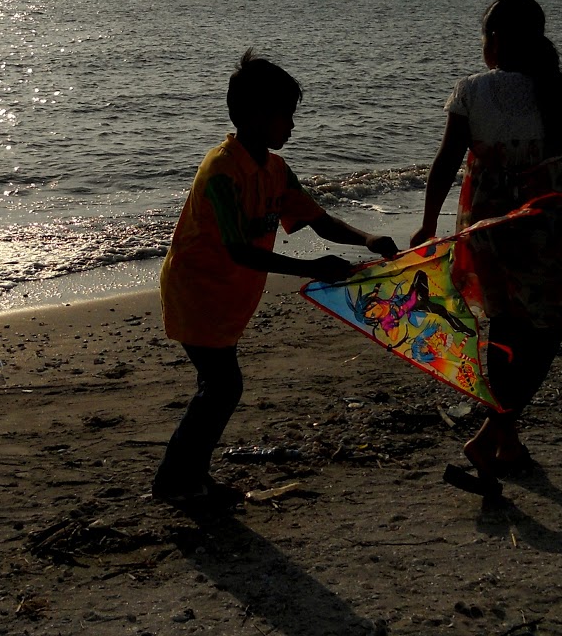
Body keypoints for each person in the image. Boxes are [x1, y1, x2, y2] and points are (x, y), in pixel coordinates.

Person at [154, 50, 399, 509]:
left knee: (219, 387)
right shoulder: (221, 170)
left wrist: (366, 239)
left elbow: (317, 220)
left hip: (230, 295)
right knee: (223, 386)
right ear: (256, 115)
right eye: (285, 115)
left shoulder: (274, 170)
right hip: (197, 291)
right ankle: (175, 479)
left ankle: (190, 477)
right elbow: (239, 249)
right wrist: (312, 268)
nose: (292, 126)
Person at [410, 0, 562, 497]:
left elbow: (445, 162)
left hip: (491, 230)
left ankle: (503, 441)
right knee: (546, 330)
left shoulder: (473, 91)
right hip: (553, 230)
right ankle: (493, 436)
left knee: (505, 327)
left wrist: (428, 223)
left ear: (495, 42)